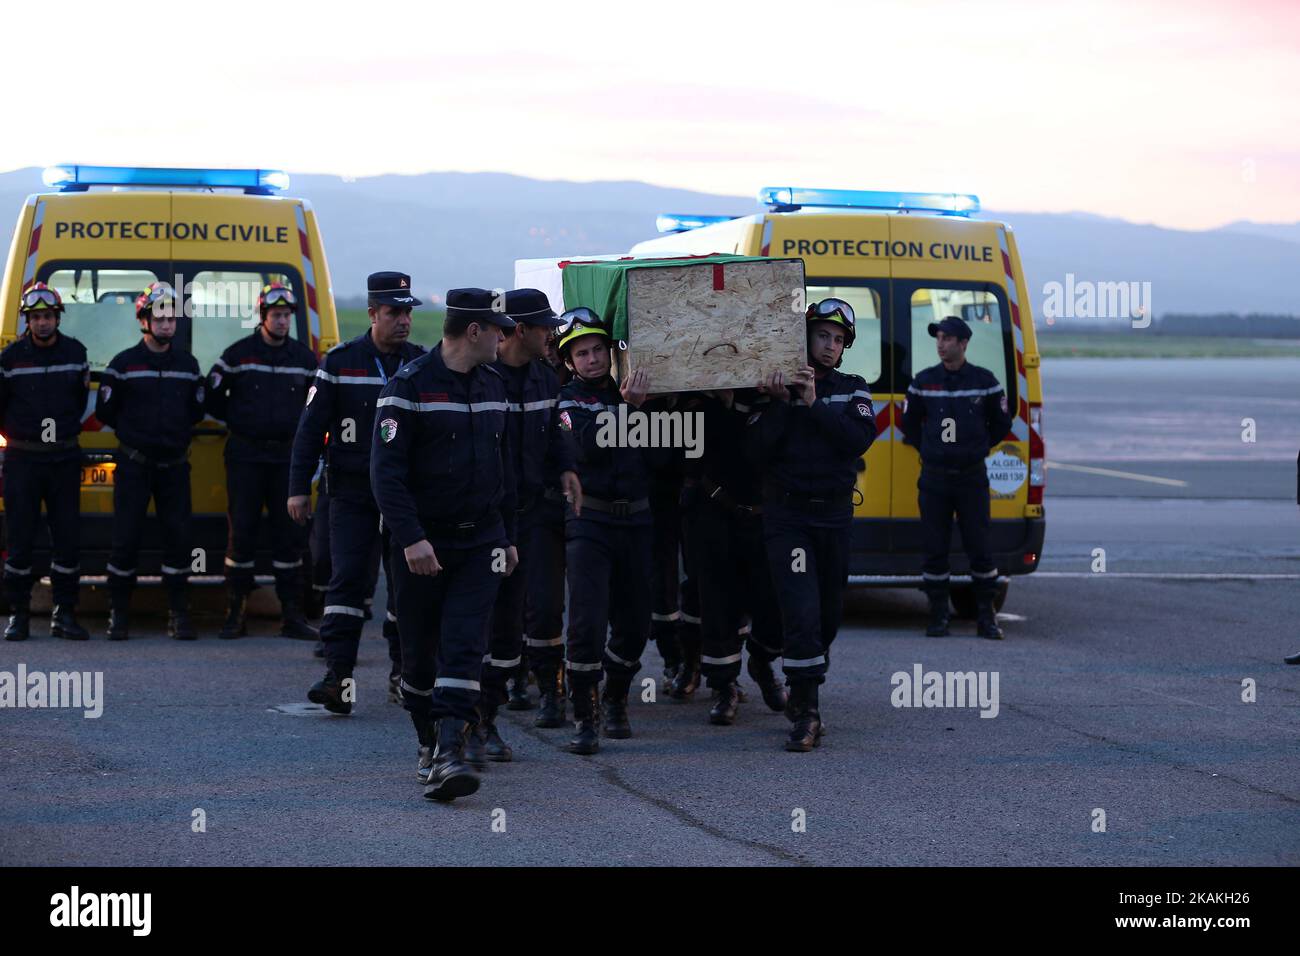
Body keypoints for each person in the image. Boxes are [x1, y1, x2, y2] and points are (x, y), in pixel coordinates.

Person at [371, 287, 518, 802]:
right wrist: (411, 539)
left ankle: (452, 750)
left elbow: (506, 472)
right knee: (418, 661)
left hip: (479, 544)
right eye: (498, 329)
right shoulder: (406, 388)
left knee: (465, 644)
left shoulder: (495, 386)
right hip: (421, 548)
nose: (505, 338)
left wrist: (507, 538)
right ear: (473, 331)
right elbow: (385, 476)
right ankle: (428, 742)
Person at [289, 272, 426, 713]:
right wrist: (298, 488)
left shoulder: (419, 365)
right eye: (394, 312)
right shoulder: (339, 362)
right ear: (372, 314)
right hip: (350, 493)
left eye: (407, 311)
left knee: (406, 585)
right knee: (346, 581)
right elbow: (310, 432)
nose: (403, 320)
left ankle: (403, 673)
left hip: (403, 497)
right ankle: (338, 678)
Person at [747, 297, 876, 751]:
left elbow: (857, 440)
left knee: (827, 616)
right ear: (805, 337)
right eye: (822, 335)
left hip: (835, 515)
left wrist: (814, 404)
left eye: (838, 340)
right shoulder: (772, 389)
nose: (829, 346)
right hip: (789, 517)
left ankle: (763, 653)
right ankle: (806, 714)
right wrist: (784, 404)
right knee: (801, 612)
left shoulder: (853, 389)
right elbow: (756, 451)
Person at [554, 308, 656, 755]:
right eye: (583, 353)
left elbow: (666, 454)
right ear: (569, 361)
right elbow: (586, 447)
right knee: (586, 623)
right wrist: (628, 410)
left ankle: (615, 695)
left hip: (636, 520)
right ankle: (584, 714)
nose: (593, 359)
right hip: (589, 520)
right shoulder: (566, 404)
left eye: (598, 349)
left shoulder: (633, 392)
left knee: (636, 624)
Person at [487, 289, 581, 748]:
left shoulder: (546, 380)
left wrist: (566, 467)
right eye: (545, 327)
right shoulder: (482, 380)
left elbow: (559, 428)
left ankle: (551, 691)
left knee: (544, 606)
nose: (552, 334)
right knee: (493, 621)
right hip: (488, 521)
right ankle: (481, 718)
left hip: (536, 514)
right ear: (519, 331)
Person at [205, 283, 319, 641]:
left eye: (287, 316)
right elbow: (210, 395)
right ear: (263, 317)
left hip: (287, 457)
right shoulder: (238, 355)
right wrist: (238, 422)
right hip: (246, 456)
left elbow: (317, 407)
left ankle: (292, 615)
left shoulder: (303, 358)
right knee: (242, 534)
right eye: (277, 316)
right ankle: (235, 614)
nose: (283, 321)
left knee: (290, 536)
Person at [96, 282, 206, 640]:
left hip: (174, 466)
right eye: (158, 317)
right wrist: (138, 435)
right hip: (134, 465)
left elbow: (196, 410)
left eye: (171, 318)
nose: (166, 324)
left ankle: (178, 614)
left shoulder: (188, 366)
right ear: (143, 320)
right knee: (125, 538)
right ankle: (119, 614)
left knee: (179, 538)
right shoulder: (123, 365)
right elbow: (106, 412)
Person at [900, 315, 1013, 641]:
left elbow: (1001, 424)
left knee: (980, 547)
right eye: (938, 338)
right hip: (934, 478)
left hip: (971, 477)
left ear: (963, 344)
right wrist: (932, 451)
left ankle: (986, 619)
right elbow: (908, 425)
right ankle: (938, 617)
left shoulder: (985, 381)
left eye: (948, 339)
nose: (941, 343)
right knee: (935, 547)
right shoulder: (924, 381)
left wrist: (974, 448)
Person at [684, 388, 787, 723]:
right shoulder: (702, 402)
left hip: (766, 515)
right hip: (716, 509)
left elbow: (760, 450)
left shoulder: (780, 400)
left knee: (773, 599)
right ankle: (724, 685)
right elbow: (698, 450)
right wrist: (724, 405)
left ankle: (762, 660)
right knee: (717, 602)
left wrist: (775, 401)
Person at [0, 283, 90, 641]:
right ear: (28, 320)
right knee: (19, 540)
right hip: (23, 459)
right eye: (35, 317)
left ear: (57, 318)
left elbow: (78, 402)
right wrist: (23, 436)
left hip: (64, 459)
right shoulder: (9, 359)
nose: (42, 323)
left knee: (67, 539)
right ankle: (18, 616)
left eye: (47, 316)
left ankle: (64, 615)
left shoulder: (75, 352)